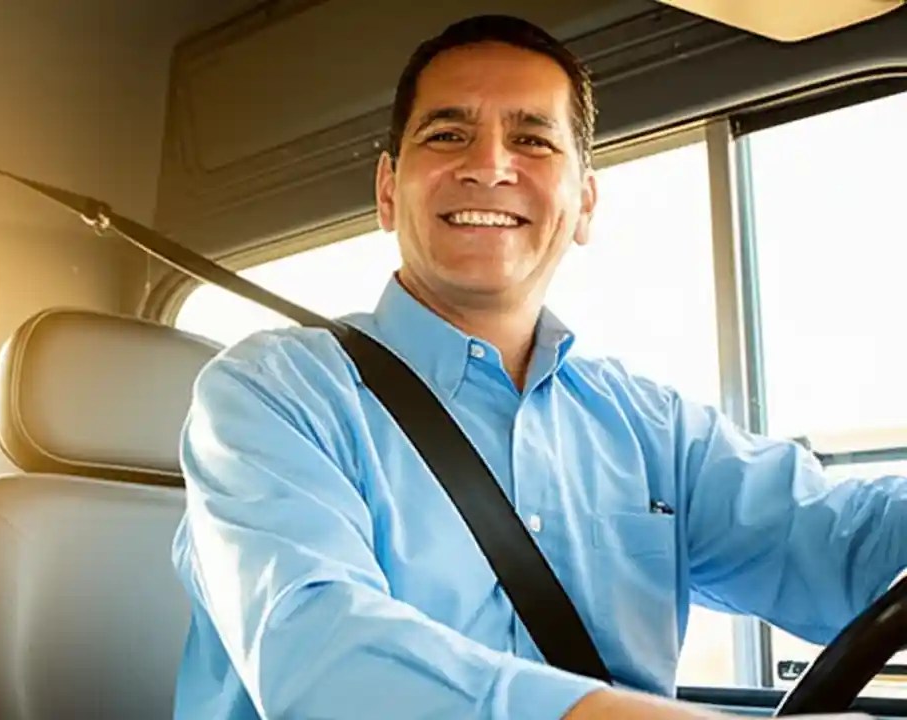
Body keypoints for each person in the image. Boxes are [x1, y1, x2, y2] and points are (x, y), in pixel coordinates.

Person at [169, 13, 903, 720]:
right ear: (388, 191)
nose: (488, 166)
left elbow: (844, 546)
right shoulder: (270, 394)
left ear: (584, 203)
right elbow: (322, 653)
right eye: (448, 134)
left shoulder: (651, 427)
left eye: (533, 140)